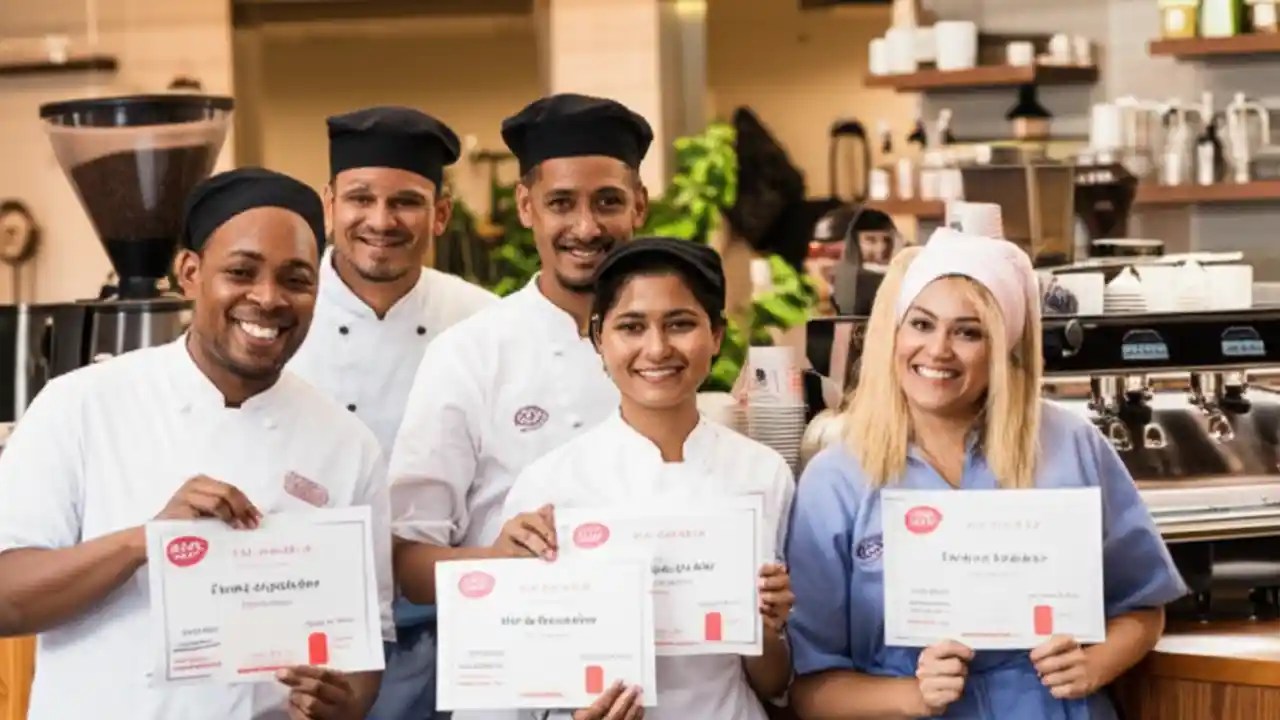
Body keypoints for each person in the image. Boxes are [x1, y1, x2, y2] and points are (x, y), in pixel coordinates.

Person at [0, 167, 394, 720]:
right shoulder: (80, 405)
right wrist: (146, 543)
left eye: (296, 279)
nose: (268, 298)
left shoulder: (348, 446)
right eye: (241, 271)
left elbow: (363, 646)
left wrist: (343, 700)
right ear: (190, 272)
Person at [784, 229, 1187, 719]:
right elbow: (809, 689)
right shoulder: (837, 479)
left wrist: (1094, 665)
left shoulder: (1069, 444)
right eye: (921, 324)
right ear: (894, 333)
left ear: (1003, 349)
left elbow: (1143, 606)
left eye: (968, 332)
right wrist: (914, 696)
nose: (938, 350)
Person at [387, 93, 653, 719]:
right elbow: (408, 562)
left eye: (608, 201)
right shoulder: (472, 353)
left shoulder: (666, 348)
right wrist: (498, 559)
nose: (586, 227)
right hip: (512, 689)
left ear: (639, 204)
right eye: (562, 203)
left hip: (653, 684)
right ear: (527, 207)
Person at [502, 237, 796, 719]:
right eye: (631, 327)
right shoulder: (549, 486)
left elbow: (777, 682)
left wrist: (764, 626)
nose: (657, 348)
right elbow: (521, 668)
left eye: (680, 324)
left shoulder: (764, 474)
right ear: (599, 338)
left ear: (717, 335)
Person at [287, 106, 497, 720]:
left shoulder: (483, 321)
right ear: (328, 204)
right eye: (360, 198)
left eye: (405, 201)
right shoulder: (279, 316)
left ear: (441, 213)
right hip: (309, 620)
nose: (381, 221)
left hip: (451, 620)